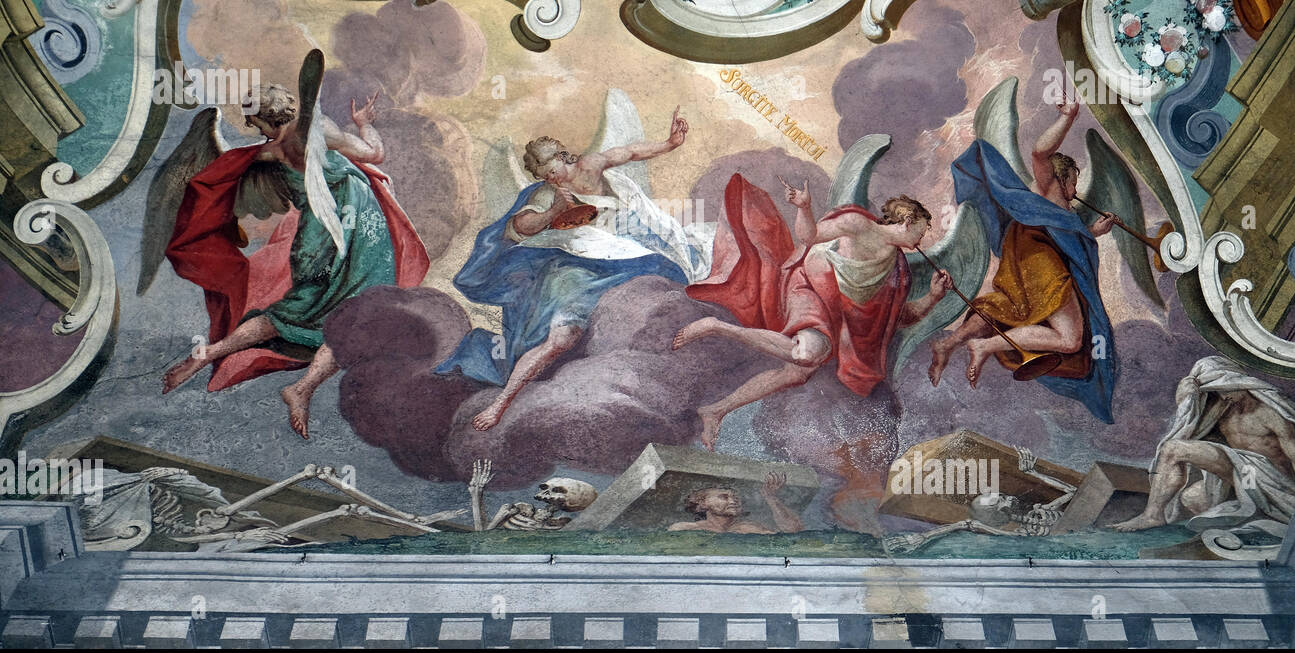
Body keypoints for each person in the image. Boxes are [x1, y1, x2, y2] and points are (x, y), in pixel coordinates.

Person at [162, 82, 428, 438]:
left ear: (267, 120)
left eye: (256, 123)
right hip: (358, 227)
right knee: (354, 317)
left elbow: (225, 166)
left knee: (298, 310)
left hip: (316, 240)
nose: (258, 131)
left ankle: (210, 353)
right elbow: (374, 153)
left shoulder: (269, 152)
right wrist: (364, 123)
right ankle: (302, 388)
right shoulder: (322, 130)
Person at [437, 108, 712, 431]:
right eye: (543, 175)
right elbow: (522, 226)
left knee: (670, 300)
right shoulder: (546, 193)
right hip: (580, 268)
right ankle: (501, 403)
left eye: (551, 169)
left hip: (633, 256)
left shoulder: (591, 166)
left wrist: (669, 144)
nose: (550, 178)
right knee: (561, 339)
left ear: (562, 157)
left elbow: (630, 152)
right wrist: (553, 209)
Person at [674, 173, 952, 450]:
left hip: (834, 313)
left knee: (796, 373)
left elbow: (896, 319)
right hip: (809, 287)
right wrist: (804, 207)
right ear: (907, 221)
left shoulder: (898, 271)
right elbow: (811, 236)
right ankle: (716, 326)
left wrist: (934, 296)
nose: (925, 237)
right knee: (806, 354)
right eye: (924, 229)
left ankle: (716, 410)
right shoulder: (858, 224)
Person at [928, 93, 1119, 422]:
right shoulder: (1048, 187)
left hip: (1024, 256)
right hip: (1039, 259)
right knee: (1072, 339)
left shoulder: (1058, 209)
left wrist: (1092, 233)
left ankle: (952, 342)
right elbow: (1039, 152)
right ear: (1064, 177)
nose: (1075, 189)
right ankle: (985, 346)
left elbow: (1059, 233)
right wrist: (1068, 117)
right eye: (1074, 180)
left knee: (1008, 309)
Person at [1111, 356, 1295, 533]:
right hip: (1240, 473)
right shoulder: (1221, 411)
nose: (1223, 395)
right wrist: (1185, 399)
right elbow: (1190, 427)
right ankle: (1157, 516)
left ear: (1238, 381)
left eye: (1224, 388)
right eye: (1216, 390)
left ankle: (1152, 516)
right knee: (1190, 498)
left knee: (1173, 449)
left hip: (1268, 478)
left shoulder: (1271, 413)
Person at [668, 472, 804, 533]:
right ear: (702, 503)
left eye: (736, 498)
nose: (733, 501)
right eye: (724, 497)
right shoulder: (684, 529)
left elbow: (794, 530)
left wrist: (770, 497)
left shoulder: (751, 529)